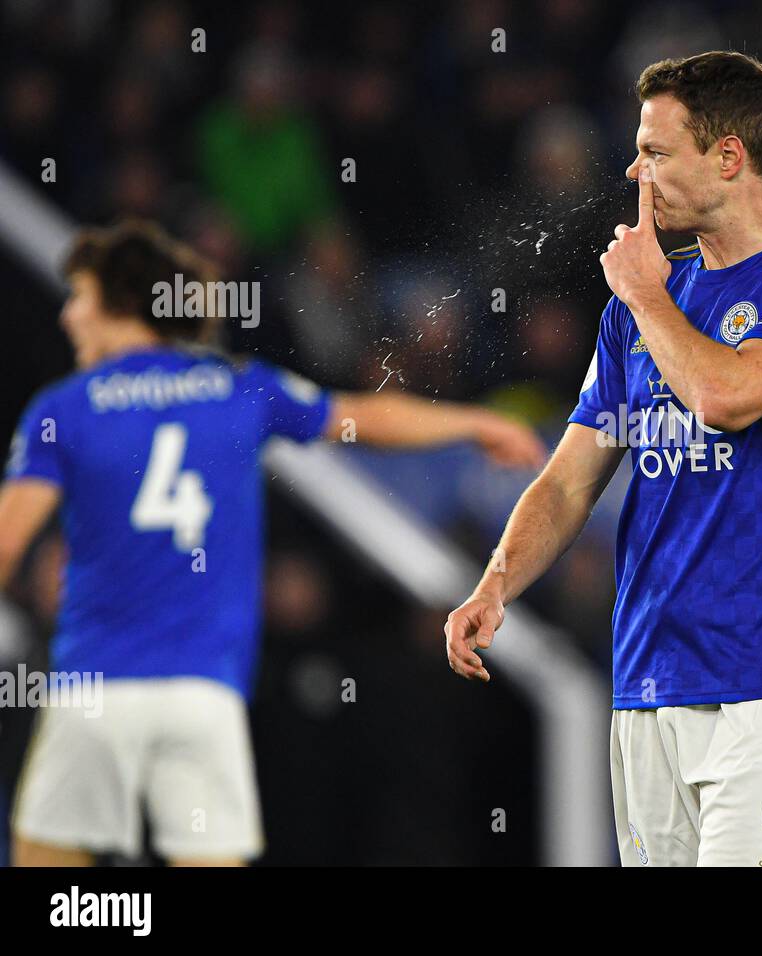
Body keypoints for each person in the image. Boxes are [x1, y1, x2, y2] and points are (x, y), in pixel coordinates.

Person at [445, 52, 762, 866]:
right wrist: (497, 582)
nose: (632, 169)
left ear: (727, 157)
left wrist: (645, 296)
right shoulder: (640, 308)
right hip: (648, 677)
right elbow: (572, 477)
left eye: (654, 151)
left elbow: (729, 394)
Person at [0, 220, 546, 866]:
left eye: (82, 297)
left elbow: (8, 542)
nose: (69, 316)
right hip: (202, 695)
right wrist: (475, 421)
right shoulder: (237, 387)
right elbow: (361, 417)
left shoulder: (64, 409)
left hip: (97, 686)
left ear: (123, 304)